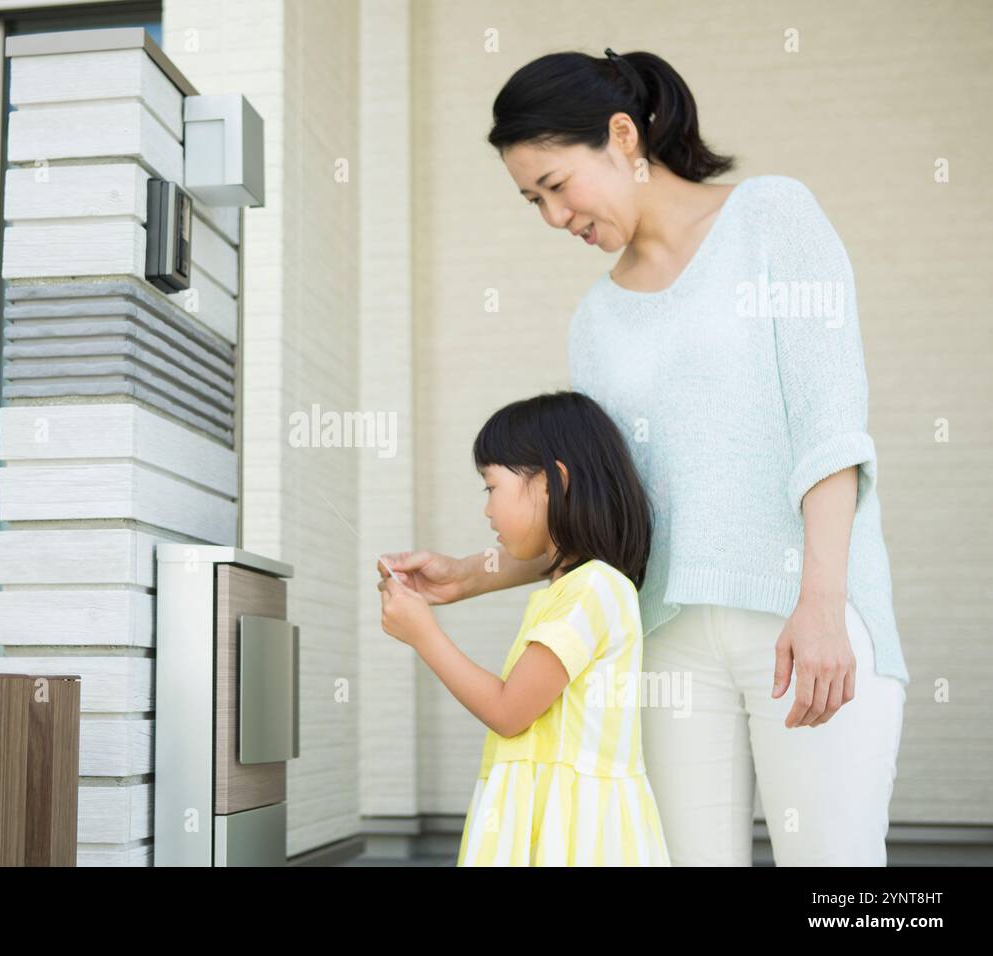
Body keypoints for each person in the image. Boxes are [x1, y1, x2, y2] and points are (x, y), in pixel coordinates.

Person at [379, 48, 907, 866]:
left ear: (623, 135)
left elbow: (829, 426)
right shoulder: (596, 319)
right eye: (532, 202)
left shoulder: (772, 218)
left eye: (556, 185)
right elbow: (607, 513)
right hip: (662, 645)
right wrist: (472, 572)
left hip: (802, 616)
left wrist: (822, 604)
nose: (554, 218)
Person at [379, 390, 670, 865]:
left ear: (553, 481)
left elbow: (509, 710)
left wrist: (422, 634)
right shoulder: (570, 590)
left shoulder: (594, 590)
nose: (487, 509)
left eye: (491, 487)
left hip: (574, 841)